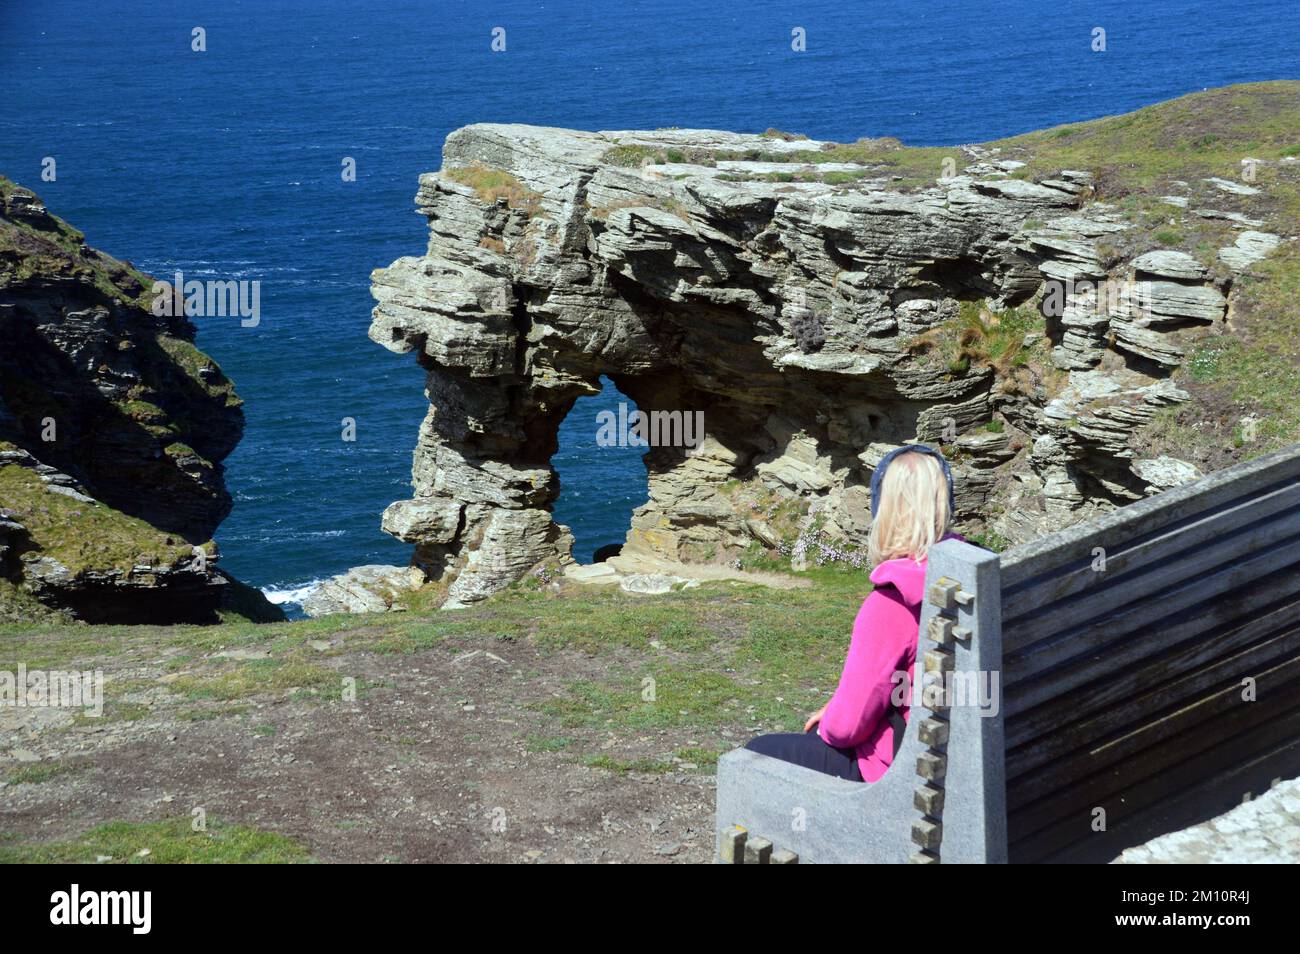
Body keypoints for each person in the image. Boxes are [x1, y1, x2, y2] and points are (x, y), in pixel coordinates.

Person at [745, 445, 957, 782]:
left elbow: (846, 729)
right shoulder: (975, 575)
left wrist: (833, 720)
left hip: (911, 775)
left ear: (883, 509)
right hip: (974, 761)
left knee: (754, 757)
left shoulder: (894, 600)